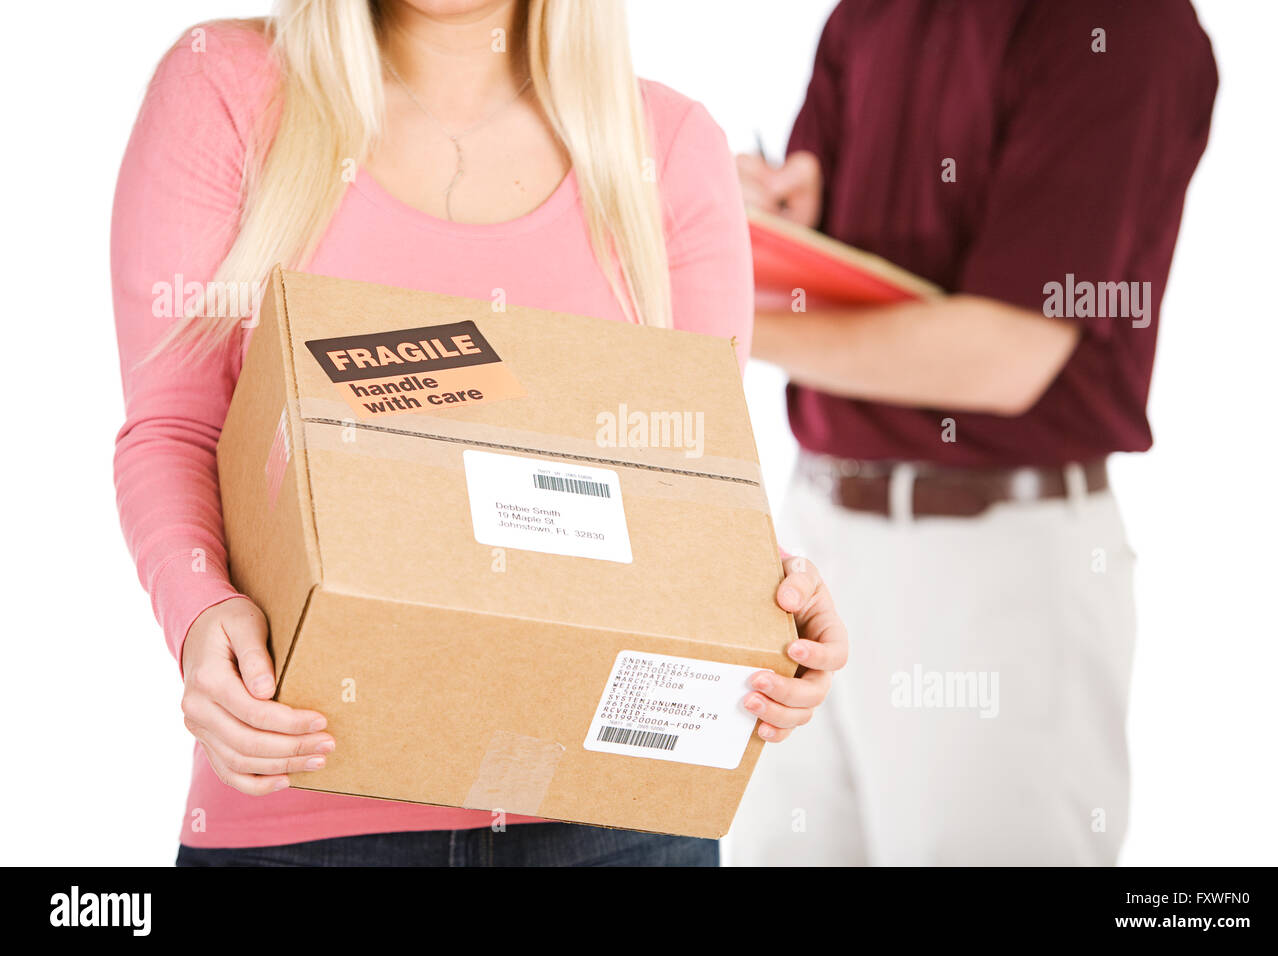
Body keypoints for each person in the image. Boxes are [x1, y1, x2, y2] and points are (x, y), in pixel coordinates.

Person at [111, 0, 848, 867]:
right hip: (302, 808)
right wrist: (201, 616)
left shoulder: (668, 147)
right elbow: (174, 426)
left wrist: (779, 634)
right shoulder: (229, 89)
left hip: (617, 824)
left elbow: (696, 500)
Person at [730, 0, 1217, 865]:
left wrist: (718, 321)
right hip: (808, 546)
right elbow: (813, 236)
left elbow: (1001, 358)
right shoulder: (867, 14)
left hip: (994, 571)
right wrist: (763, 215)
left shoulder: (1122, 26)